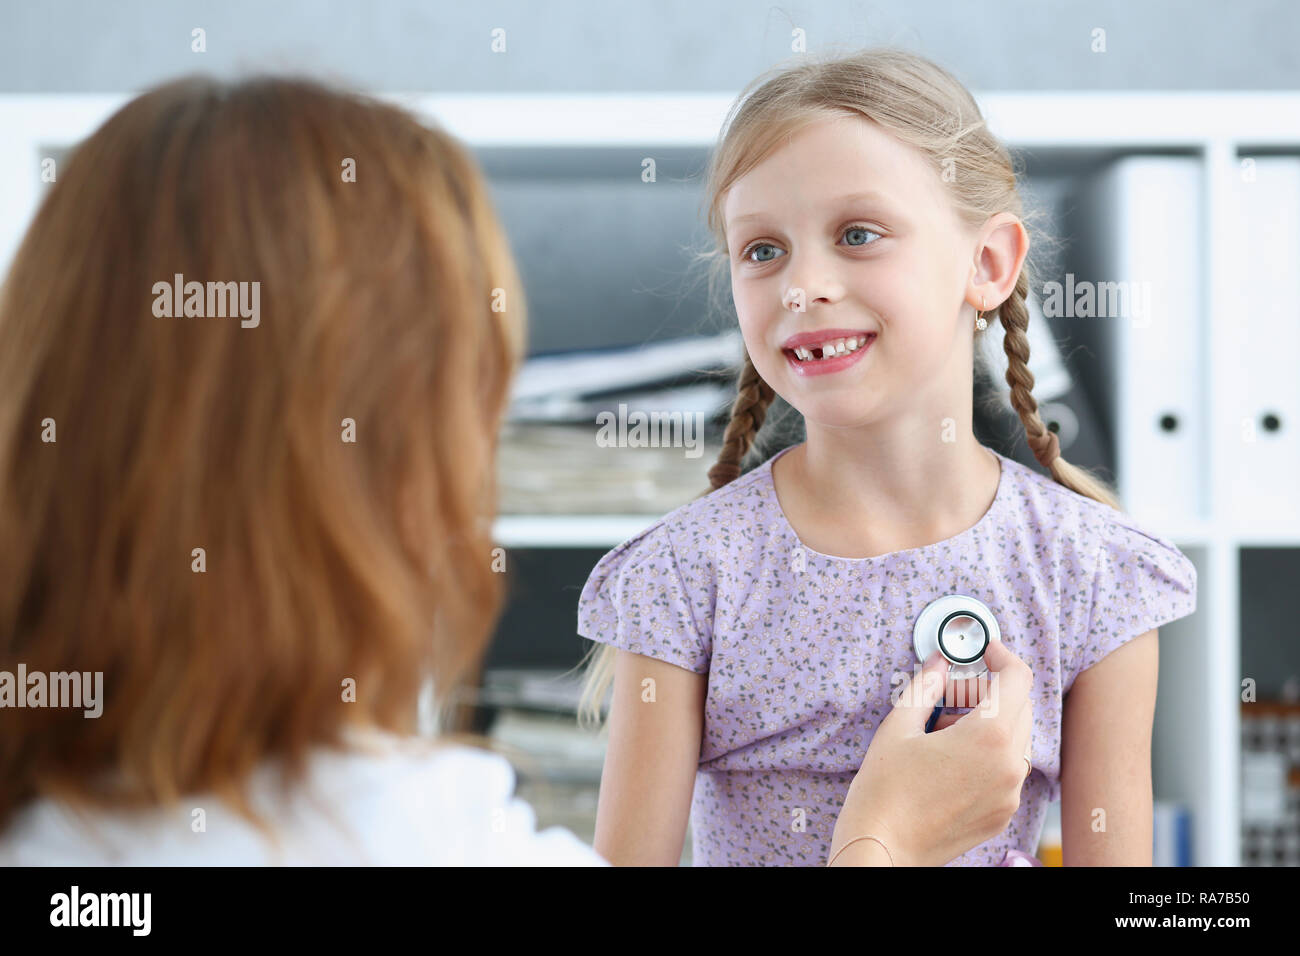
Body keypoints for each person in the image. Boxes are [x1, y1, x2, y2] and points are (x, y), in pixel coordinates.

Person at [576, 47, 1198, 866]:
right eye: (763, 250)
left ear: (986, 263)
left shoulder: (1092, 577)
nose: (803, 286)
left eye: (858, 234)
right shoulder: (688, 577)